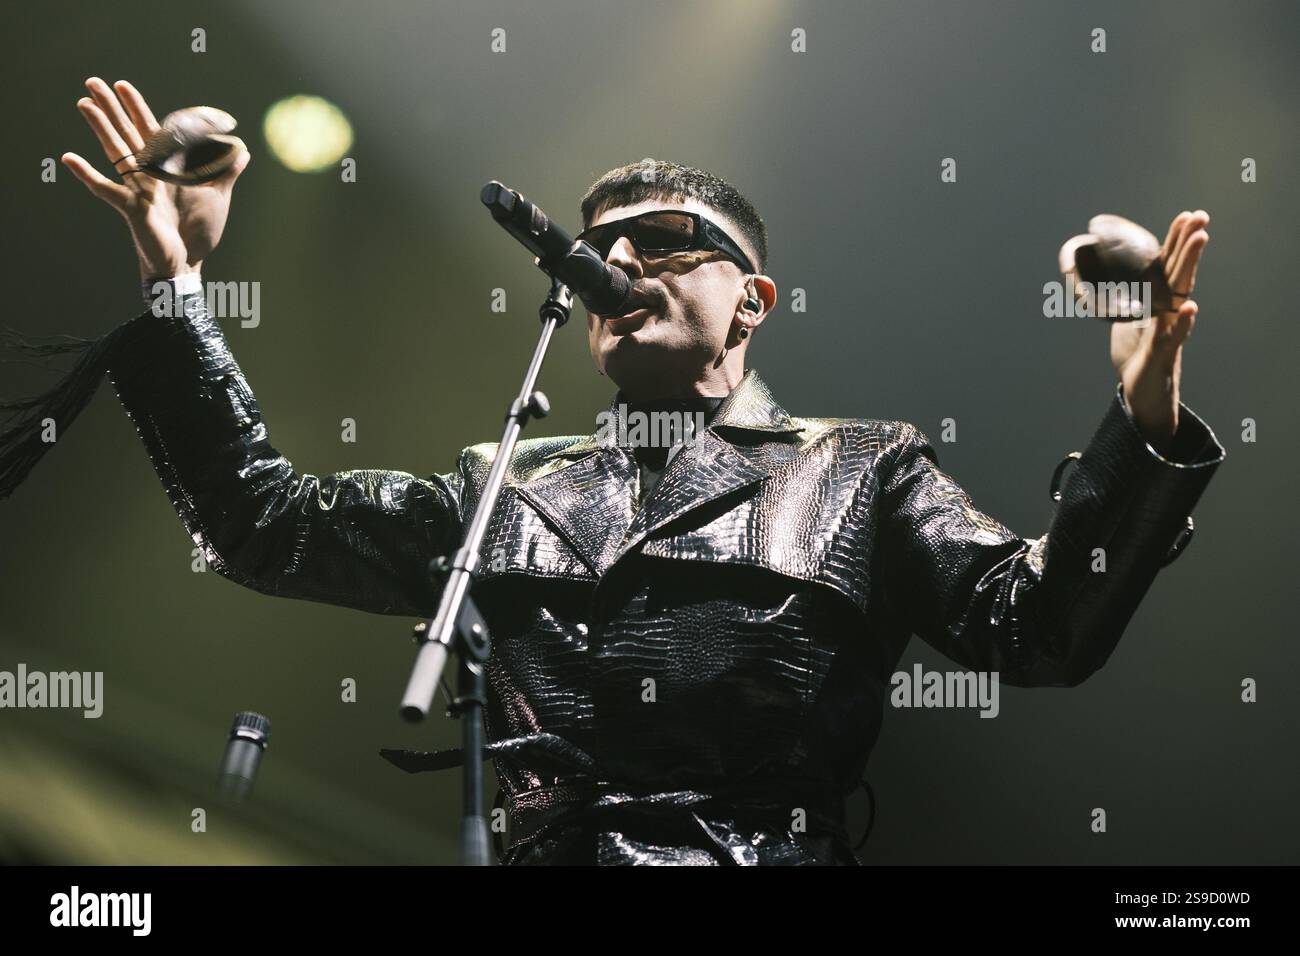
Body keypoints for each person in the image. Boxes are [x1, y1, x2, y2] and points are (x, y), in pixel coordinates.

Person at [23, 77, 1228, 864]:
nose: (616, 264)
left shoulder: (860, 472)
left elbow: (1044, 630)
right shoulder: (507, 481)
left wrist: (1142, 404)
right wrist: (178, 287)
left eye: (661, 243)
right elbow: (264, 525)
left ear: (750, 299)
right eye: (595, 253)